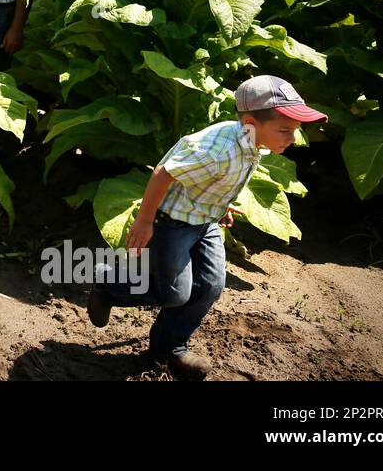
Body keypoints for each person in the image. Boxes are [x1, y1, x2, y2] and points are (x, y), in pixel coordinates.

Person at [86, 75, 329, 380]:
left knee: (210, 286)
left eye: (294, 130)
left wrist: (221, 204)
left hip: (204, 220)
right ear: (251, 122)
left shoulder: (252, 142)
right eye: (285, 131)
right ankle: (108, 287)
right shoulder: (218, 150)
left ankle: (169, 347)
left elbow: (218, 178)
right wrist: (145, 220)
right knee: (173, 293)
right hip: (171, 223)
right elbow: (163, 173)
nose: (292, 138)